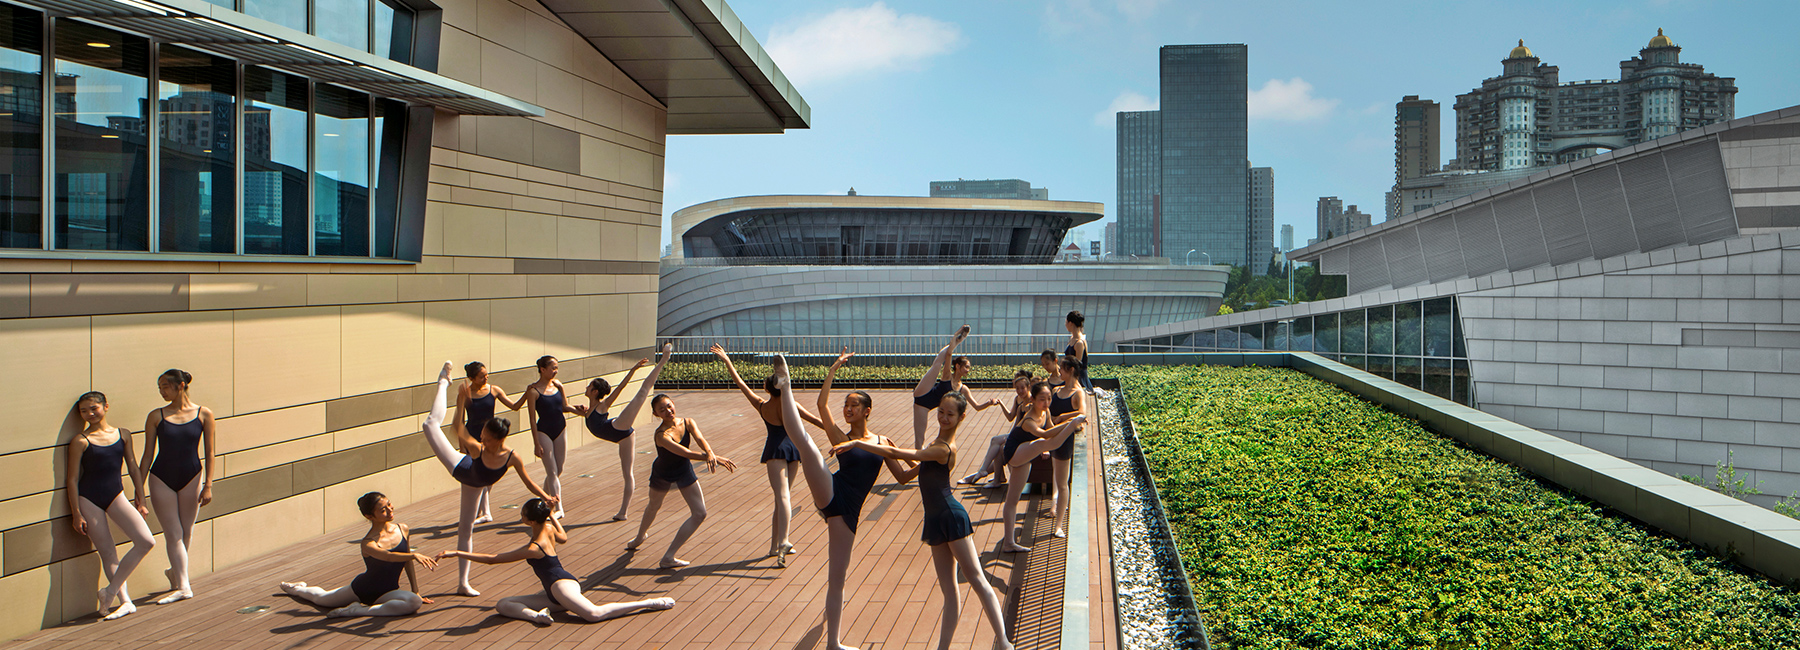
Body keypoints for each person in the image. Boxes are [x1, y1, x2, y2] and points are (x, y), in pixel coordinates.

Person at [835, 392, 1065, 650]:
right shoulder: (935, 444)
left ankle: (1003, 642)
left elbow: (896, 451)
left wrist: (859, 444)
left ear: (961, 417)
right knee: (949, 590)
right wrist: (886, 450)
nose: (943, 417)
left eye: (950, 414)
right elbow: (908, 467)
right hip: (934, 519)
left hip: (950, 516)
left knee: (977, 578)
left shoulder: (943, 448)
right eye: (941, 411)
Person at [771, 349, 915, 649]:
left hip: (848, 512)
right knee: (806, 443)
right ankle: (785, 384)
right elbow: (822, 404)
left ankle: (833, 643)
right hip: (832, 491)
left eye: (853, 405)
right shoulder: (841, 437)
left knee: (838, 578)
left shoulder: (883, 442)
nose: (848, 409)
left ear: (867, 410)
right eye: (846, 405)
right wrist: (833, 369)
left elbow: (902, 476)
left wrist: (927, 462)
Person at [422, 361, 558, 596]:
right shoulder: (477, 449)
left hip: (474, 482)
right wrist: (461, 400)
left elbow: (528, 482)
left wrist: (547, 497)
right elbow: (457, 427)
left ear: (497, 438)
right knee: (429, 424)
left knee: (465, 530)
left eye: (485, 435)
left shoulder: (512, 456)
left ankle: (463, 583)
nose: (481, 437)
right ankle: (443, 381)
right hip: (459, 466)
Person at [437, 498, 675, 625]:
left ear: (530, 521)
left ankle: (649, 602)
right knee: (502, 604)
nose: (520, 517)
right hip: (555, 593)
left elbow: (492, 560)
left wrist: (458, 553)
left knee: (593, 614)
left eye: (522, 515)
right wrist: (552, 514)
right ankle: (537, 616)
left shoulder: (533, 548)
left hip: (562, 585)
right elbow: (564, 538)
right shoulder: (549, 528)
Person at [709, 344, 824, 562]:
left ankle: (780, 543)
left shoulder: (762, 406)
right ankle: (779, 543)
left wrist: (727, 360)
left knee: (782, 498)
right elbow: (818, 422)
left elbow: (741, 384)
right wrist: (844, 436)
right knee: (784, 498)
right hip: (794, 450)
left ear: (767, 388)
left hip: (775, 450)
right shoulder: (792, 405)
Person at [65, 391, 156, 621]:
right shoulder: (80, 441)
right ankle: (124, 601)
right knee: (108, 551)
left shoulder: (123, 434)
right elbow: (72, 479)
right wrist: (76, 513)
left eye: (93, 408)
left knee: (146, 541)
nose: (89, 414)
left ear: (106, 406)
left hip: (116, 495)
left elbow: (134, 468)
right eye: (84, 411)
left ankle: (109, 591)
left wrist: (141, 498)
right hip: (89, 499)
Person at [279, 492, 438, 617]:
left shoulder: (403, 529)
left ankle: (358, 611)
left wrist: (415, 590)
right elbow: (388, 557)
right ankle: (296, 588)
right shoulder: (368, 543)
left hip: (388, 591)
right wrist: (413, 555)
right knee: (321, 599)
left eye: (389, 504)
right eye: (383, 510)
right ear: (369, 516)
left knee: (413, 602)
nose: (390, 510)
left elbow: (406, 562)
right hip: (362, 589)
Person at [628, 393, 736, 569]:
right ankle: (640, 537)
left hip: (684, 470)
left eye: (669, 406)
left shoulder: (687, 422)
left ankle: (668, 557)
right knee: (654, 506)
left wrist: (710, 453)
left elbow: (700, 439)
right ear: (656, 415)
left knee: (700, 513)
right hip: (663, 473)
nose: (668, 411)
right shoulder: (661, 435)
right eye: (662, 410)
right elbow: (686, 453)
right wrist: (715, 458)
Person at [139, 369, 216, 605]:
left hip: (192, 476)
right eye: (159, 387)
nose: (161, 391)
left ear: (180, 386)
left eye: (165, 386)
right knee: (173, 533)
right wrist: (139, 492)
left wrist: (209, 485)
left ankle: (175, 573)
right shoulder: (156, 416)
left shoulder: (204, 414)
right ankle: (184, 586)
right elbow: (148, 455)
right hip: (161, 478)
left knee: (186, 531)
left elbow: (210, 452)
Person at [576, 344, 672, 522]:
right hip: (622, 437)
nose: (587, 387)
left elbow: (620, 389)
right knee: (626, 473)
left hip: (619, 428)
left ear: (595, 392)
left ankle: (664, 359)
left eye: (589, 386)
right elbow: (567, 408)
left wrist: (633, 370)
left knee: (642, 393)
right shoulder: (586, 410)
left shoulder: (602, 406)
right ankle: (623, 513)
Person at [996, 381, 1087, 553]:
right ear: (1033, 400)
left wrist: (1065, 424)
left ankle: (1009, 543)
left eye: (1049, 399)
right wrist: (1071, 423)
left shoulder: (1046, 412)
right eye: (1042, 400)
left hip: (1024, 456)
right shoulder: (1029, 419)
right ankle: (1009, 542)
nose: (1046, 403)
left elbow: (1052, 429)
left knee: (1012, 499)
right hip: (1013, 453)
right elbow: (1045, 436)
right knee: (1040, 443)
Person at [454, 361, 524, 525]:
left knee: (486, 476)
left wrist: (528, 393)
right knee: (478, 475)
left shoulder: (494, 390)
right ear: (471, 378)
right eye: (481, 376)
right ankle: (483, 511)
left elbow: (514, 406)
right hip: (472, 437)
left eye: (486, 375)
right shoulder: (465, 394)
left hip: (490, 438)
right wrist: (462, 445)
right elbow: (460, 421)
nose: (486, 378)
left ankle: (483, 511)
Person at [521, 356, 579, 520]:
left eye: (557, 368)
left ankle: (543, 499)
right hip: (543, 432)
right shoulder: (533, 391)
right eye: (552, 368)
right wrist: (536, 443)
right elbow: (532, 418)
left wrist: (580, 410)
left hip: (560, 428)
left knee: (558, 469)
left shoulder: (558, 385)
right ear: (542, 369)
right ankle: (558, 506)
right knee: (552, 472)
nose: (555, 371)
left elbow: (564, 407)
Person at [959, 370, 1035, 488]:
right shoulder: (1019, 401)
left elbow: (1026, 425)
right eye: (1017, 388)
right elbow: (1011, 418)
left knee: (996, 441)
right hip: (1018, 435)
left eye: (1022, 388)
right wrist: (1001, 403)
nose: (1019, 391)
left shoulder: (1032, 403)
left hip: (1024, 437)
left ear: (1028, 387)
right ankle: (995, 478)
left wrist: (1012, 437)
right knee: (999, 447)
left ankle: (982, 472)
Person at [1046, 357, 1088, 538]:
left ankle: (1059, 525)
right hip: (1051, 437)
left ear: (1070, 370)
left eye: (1061, 369)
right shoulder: (1056, 389)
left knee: (1063, 483)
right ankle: (1054, 505)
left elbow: (1082, 413)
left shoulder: (1078, 393)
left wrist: (1063, 417)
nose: (1059, 372)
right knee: (1056, 475)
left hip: (1064, 440)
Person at [1066, 310, 1093, 394]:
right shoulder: (1072, 338)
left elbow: (1078, 365)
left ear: (1070, 323)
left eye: (1066, 322)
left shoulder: (1079, 342)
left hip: (1079, 378)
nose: (1065, 324)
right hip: (1071, 375)